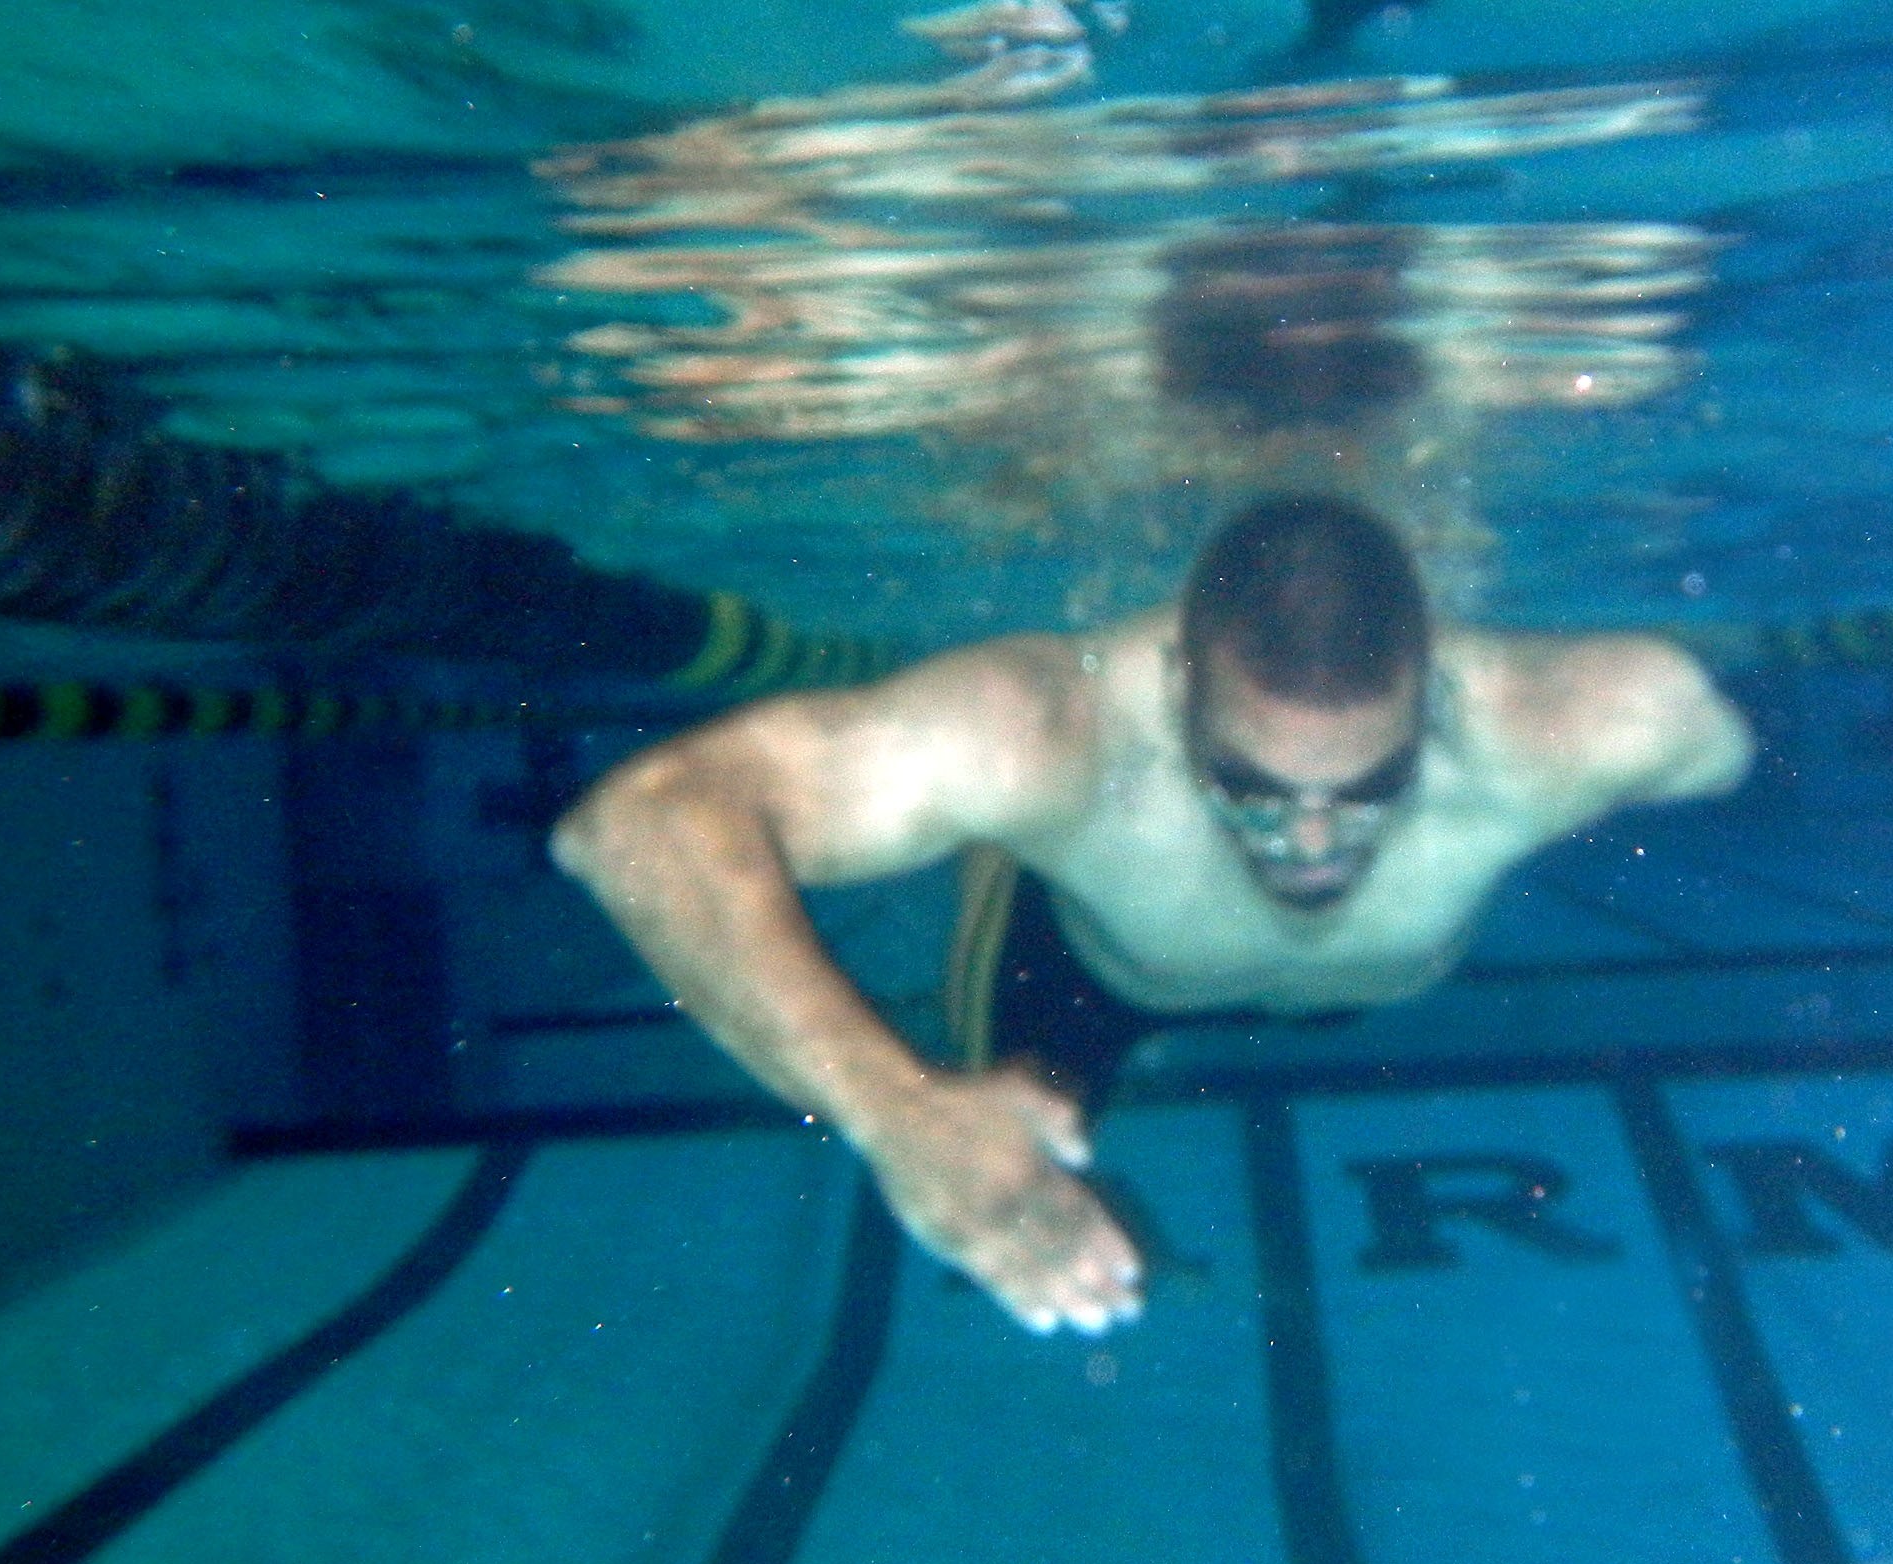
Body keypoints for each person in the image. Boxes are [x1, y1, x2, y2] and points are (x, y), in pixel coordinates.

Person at [551, 495, 1753, 1334]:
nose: (1316, 848)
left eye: (1370, 789)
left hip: (1351, 984)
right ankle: (1010, 854)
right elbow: (637, 823)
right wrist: (898, 1111)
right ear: (1178, 683)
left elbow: (1752, 747)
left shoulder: (1589, 721)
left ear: (1432, 689)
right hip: (1092, 972)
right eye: (1253, 791)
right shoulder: (1051, 725)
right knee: (1002, 1165)